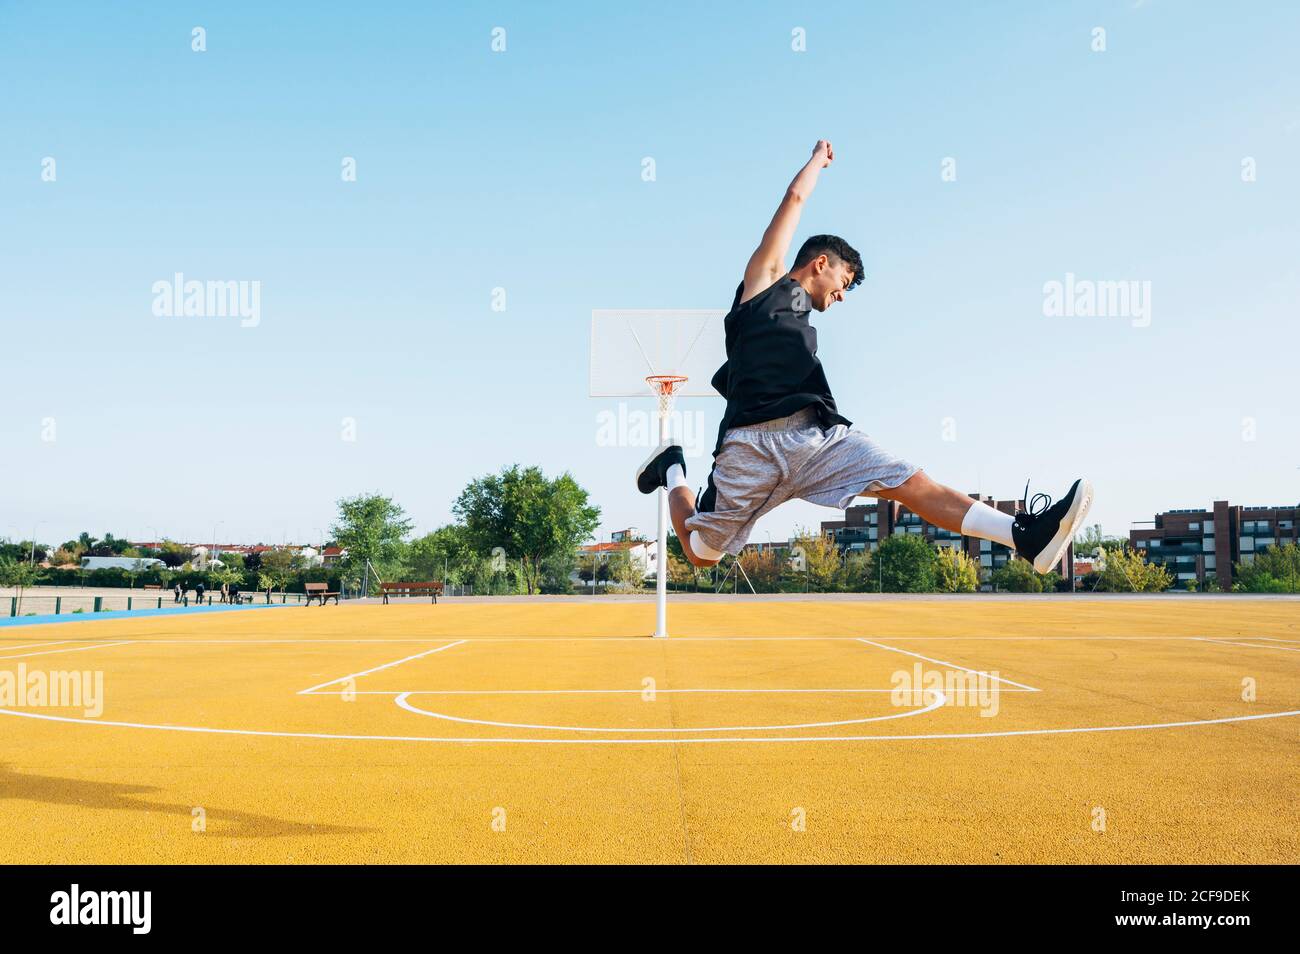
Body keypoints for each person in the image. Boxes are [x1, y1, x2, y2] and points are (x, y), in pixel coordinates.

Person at [636, 140, 1092, 573]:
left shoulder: (801, 324)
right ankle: (672, 464)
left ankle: (1025, 537)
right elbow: (794, 199)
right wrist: (817, 160)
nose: (843, 293)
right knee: (700, 553)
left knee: (909, 481)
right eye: (845, 278)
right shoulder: (763, 287)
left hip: (817, 439)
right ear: (821, 262)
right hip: (749, 447)